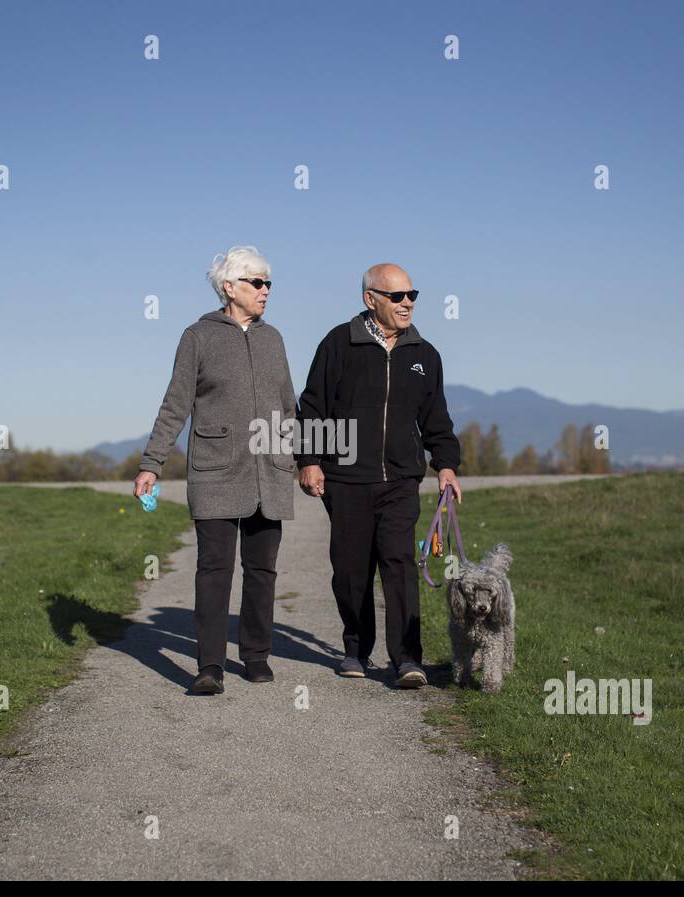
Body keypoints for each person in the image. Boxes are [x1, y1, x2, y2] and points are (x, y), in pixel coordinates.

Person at [134, 246, 297, 695]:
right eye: (257, 283)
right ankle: (210, 666)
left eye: (268, 283)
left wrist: (306, 462)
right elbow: (175, 404)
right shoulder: (197, 337)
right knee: (214, 569)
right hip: (215, 470)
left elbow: (289, 407)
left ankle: (256, 655)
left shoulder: (274, 338)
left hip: (271, 471)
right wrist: (152, 463)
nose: (266, 291)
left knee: (262, 570)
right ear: (230, 287)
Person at [296, 263, 462, 687]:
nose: (407, 303)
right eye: (397, 296)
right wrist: (310, 460)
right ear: (371, 299)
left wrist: (445, 464)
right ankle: (355, 649)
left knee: (399, 565)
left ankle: (408, 659)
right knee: (351, 571)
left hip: (401, 480)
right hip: (347, 479)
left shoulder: (425, 354)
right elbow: (314, 405)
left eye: (412, 295)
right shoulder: (339, 343)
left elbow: (436, 417)